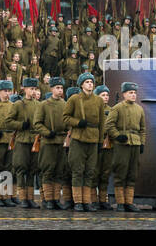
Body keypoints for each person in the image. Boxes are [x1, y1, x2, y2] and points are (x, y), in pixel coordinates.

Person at [64, 72, 104, 212]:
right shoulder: (75, 99)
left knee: (90, 171)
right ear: (81, 85)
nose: (90, 84)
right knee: (77, 170)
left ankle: (87, 201)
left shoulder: (98, 101)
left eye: (91, 82)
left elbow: (102, 123)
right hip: (78, 138)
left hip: (93, 139)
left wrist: (100, 142)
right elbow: (66, 118)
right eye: (87, 82)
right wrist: (77, 122)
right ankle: (78, 201)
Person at [104, 81, 146, 212]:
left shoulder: (139, 109)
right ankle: (120, 202)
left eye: (134, 93)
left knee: (132, 173)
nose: (133, 95)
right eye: (130, 93)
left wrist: (142, 143)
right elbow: (109, 125)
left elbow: (143, 128)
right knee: (120, 172)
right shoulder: (117, 108)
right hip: (122, 144)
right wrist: (117, 135)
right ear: (124, 94)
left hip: (135, 143)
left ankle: (129, 202)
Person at [34, 76, 70, 210]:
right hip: (48, 141)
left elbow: (68, 121)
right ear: (51, 89)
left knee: (59, 170)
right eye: (57, 88)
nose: (60, 90)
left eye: (61, 88)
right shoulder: (44, 105)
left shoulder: (65, 104)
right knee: (48, 170)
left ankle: (55, 199)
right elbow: (37, 123)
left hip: (61, 142)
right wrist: (47, 132)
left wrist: (67, 133)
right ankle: (48, 199)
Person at [10, 78, 41, 209]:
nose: (33, 91)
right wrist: (21, 125)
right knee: (21, 169)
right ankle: (23, 198)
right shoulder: (18, 104)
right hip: (22, 140)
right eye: (31, 89)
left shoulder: (38, 105)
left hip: (34, 140)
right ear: (25, 89)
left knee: (32, 170)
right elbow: (8, 121)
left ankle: (30, 198)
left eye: (35, 89)